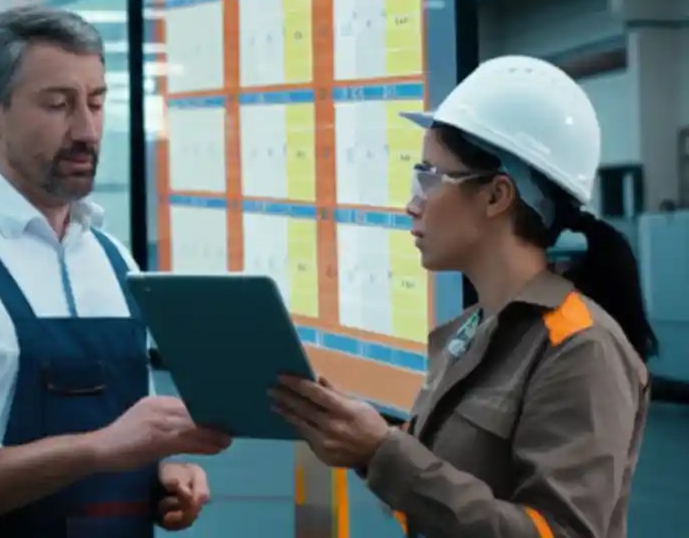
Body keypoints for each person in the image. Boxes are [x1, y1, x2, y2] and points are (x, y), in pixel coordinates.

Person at [0, 5, 232, 536]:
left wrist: (158, 473)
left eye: (95, 103)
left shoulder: (112, 260)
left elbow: (125, 436)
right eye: (58, 105)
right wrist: (97, 450)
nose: (87, 130)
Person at [270, 55, 657, 538]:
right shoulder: (469, 331)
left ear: (497, 196)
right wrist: (367, 443)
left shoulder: (581, 347)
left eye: (430, 177)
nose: (412, 203)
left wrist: (383, 452)